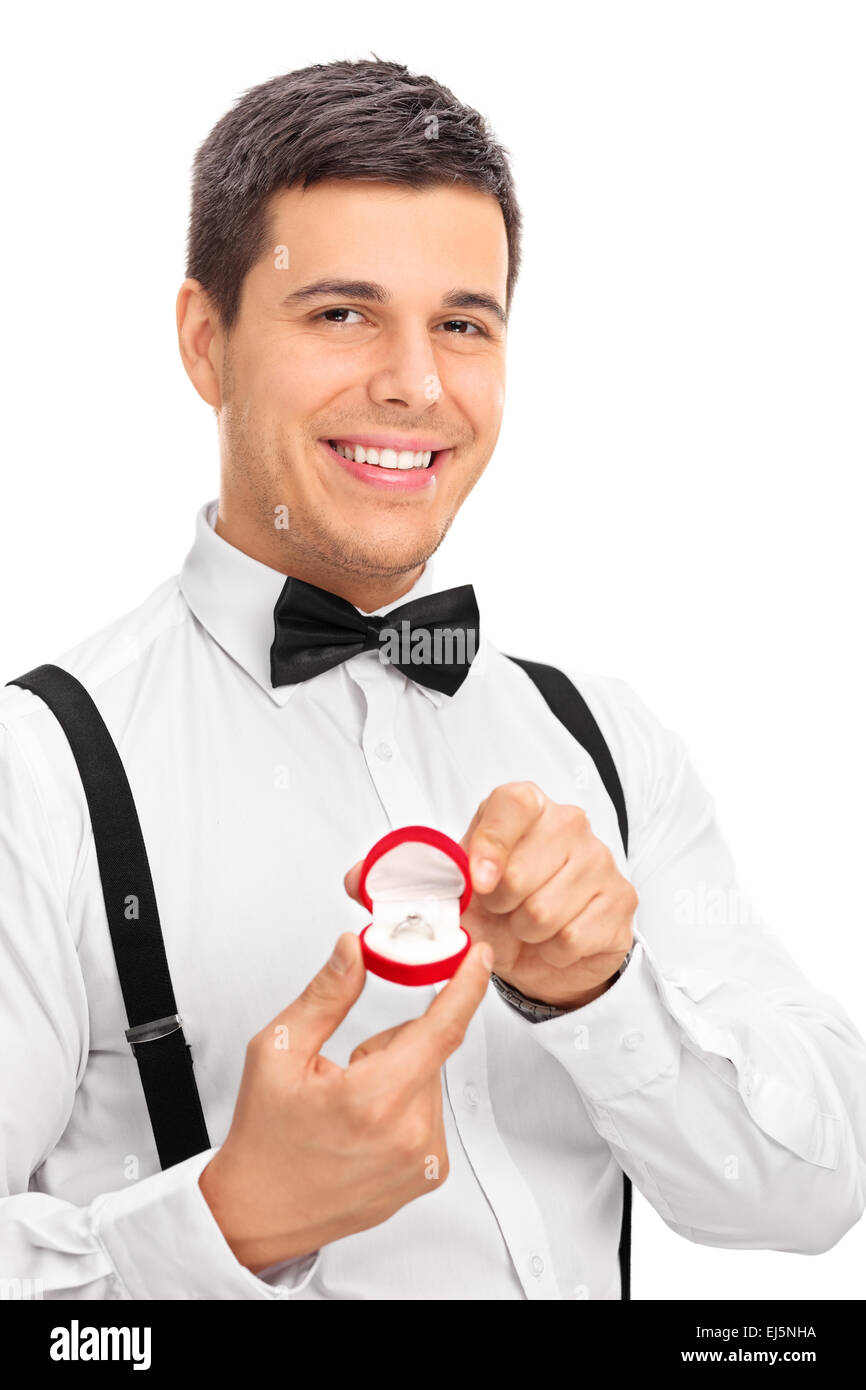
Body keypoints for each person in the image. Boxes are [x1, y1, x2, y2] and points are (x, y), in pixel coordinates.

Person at [0, 58, 863, 1302]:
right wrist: (224, 1226)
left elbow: (813, 1194)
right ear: (207, 341)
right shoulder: (41, 772)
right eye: (341, 312)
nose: (414, 382)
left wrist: (601, 996)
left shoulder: (605, 741)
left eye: (461, 322)